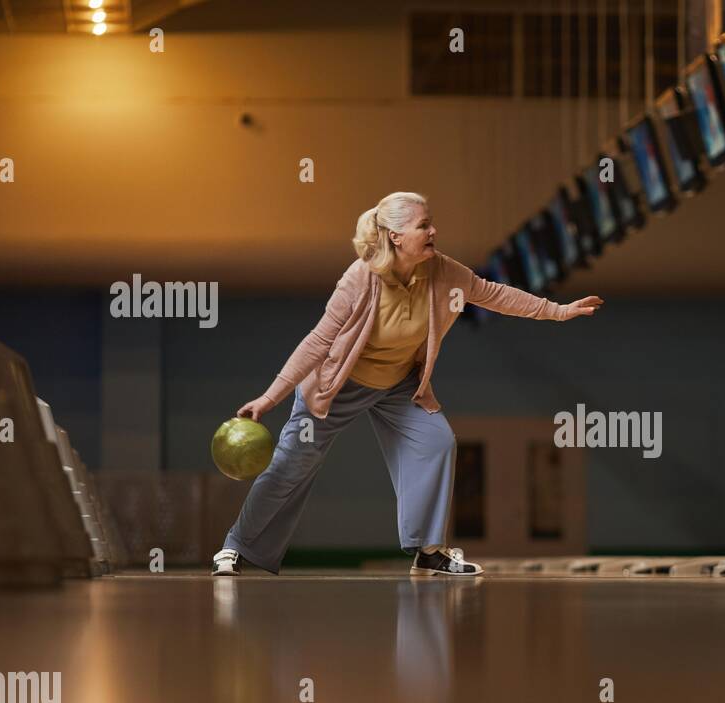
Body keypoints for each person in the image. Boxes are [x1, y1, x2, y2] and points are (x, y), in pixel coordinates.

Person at [211, 191, 603, 577]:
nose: (434, 230)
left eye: (431, 223)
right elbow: (319, 341)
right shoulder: (361, 278)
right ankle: (235, 547)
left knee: (436, 440)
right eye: (423, 225)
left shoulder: (446, 273)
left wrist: (558, 311)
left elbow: (493, 294)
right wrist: (270, 397)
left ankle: (428, 551)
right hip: (337, 386)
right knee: (291, 464)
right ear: (395, 237)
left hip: (399, 385)